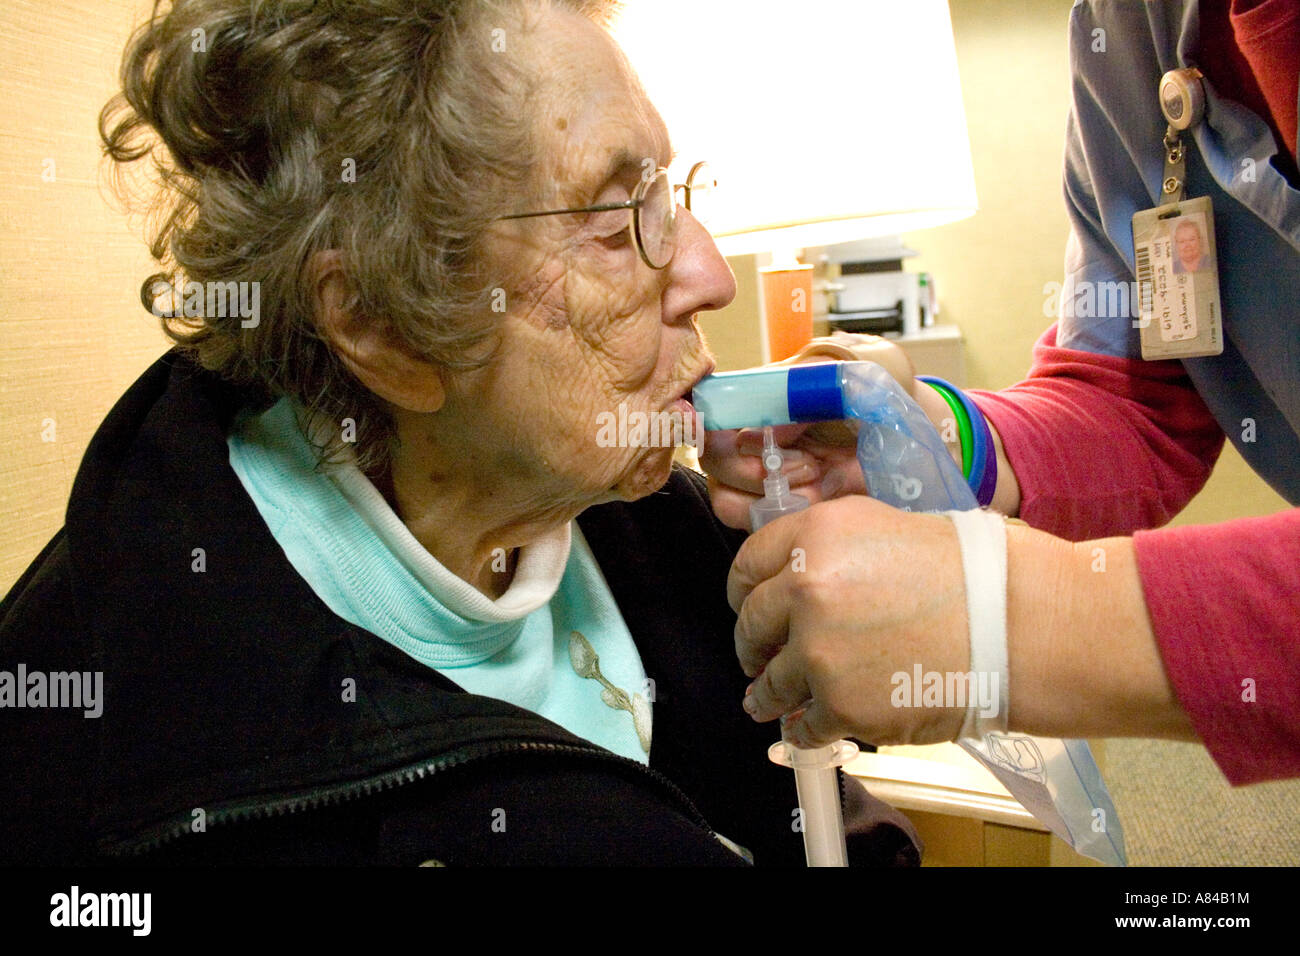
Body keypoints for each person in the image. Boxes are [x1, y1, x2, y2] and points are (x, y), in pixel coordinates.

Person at [0, 0, 920, 865]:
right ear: (380, 324)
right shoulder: (99, 749)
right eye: (612, 220)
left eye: (670, 197)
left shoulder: (646, 513)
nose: (711, 274)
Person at [705, 0, 1300, 784]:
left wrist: (1006, 619)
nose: (709, 279)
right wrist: (929, 440)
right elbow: (1139, 398)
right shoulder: (1128, 29)